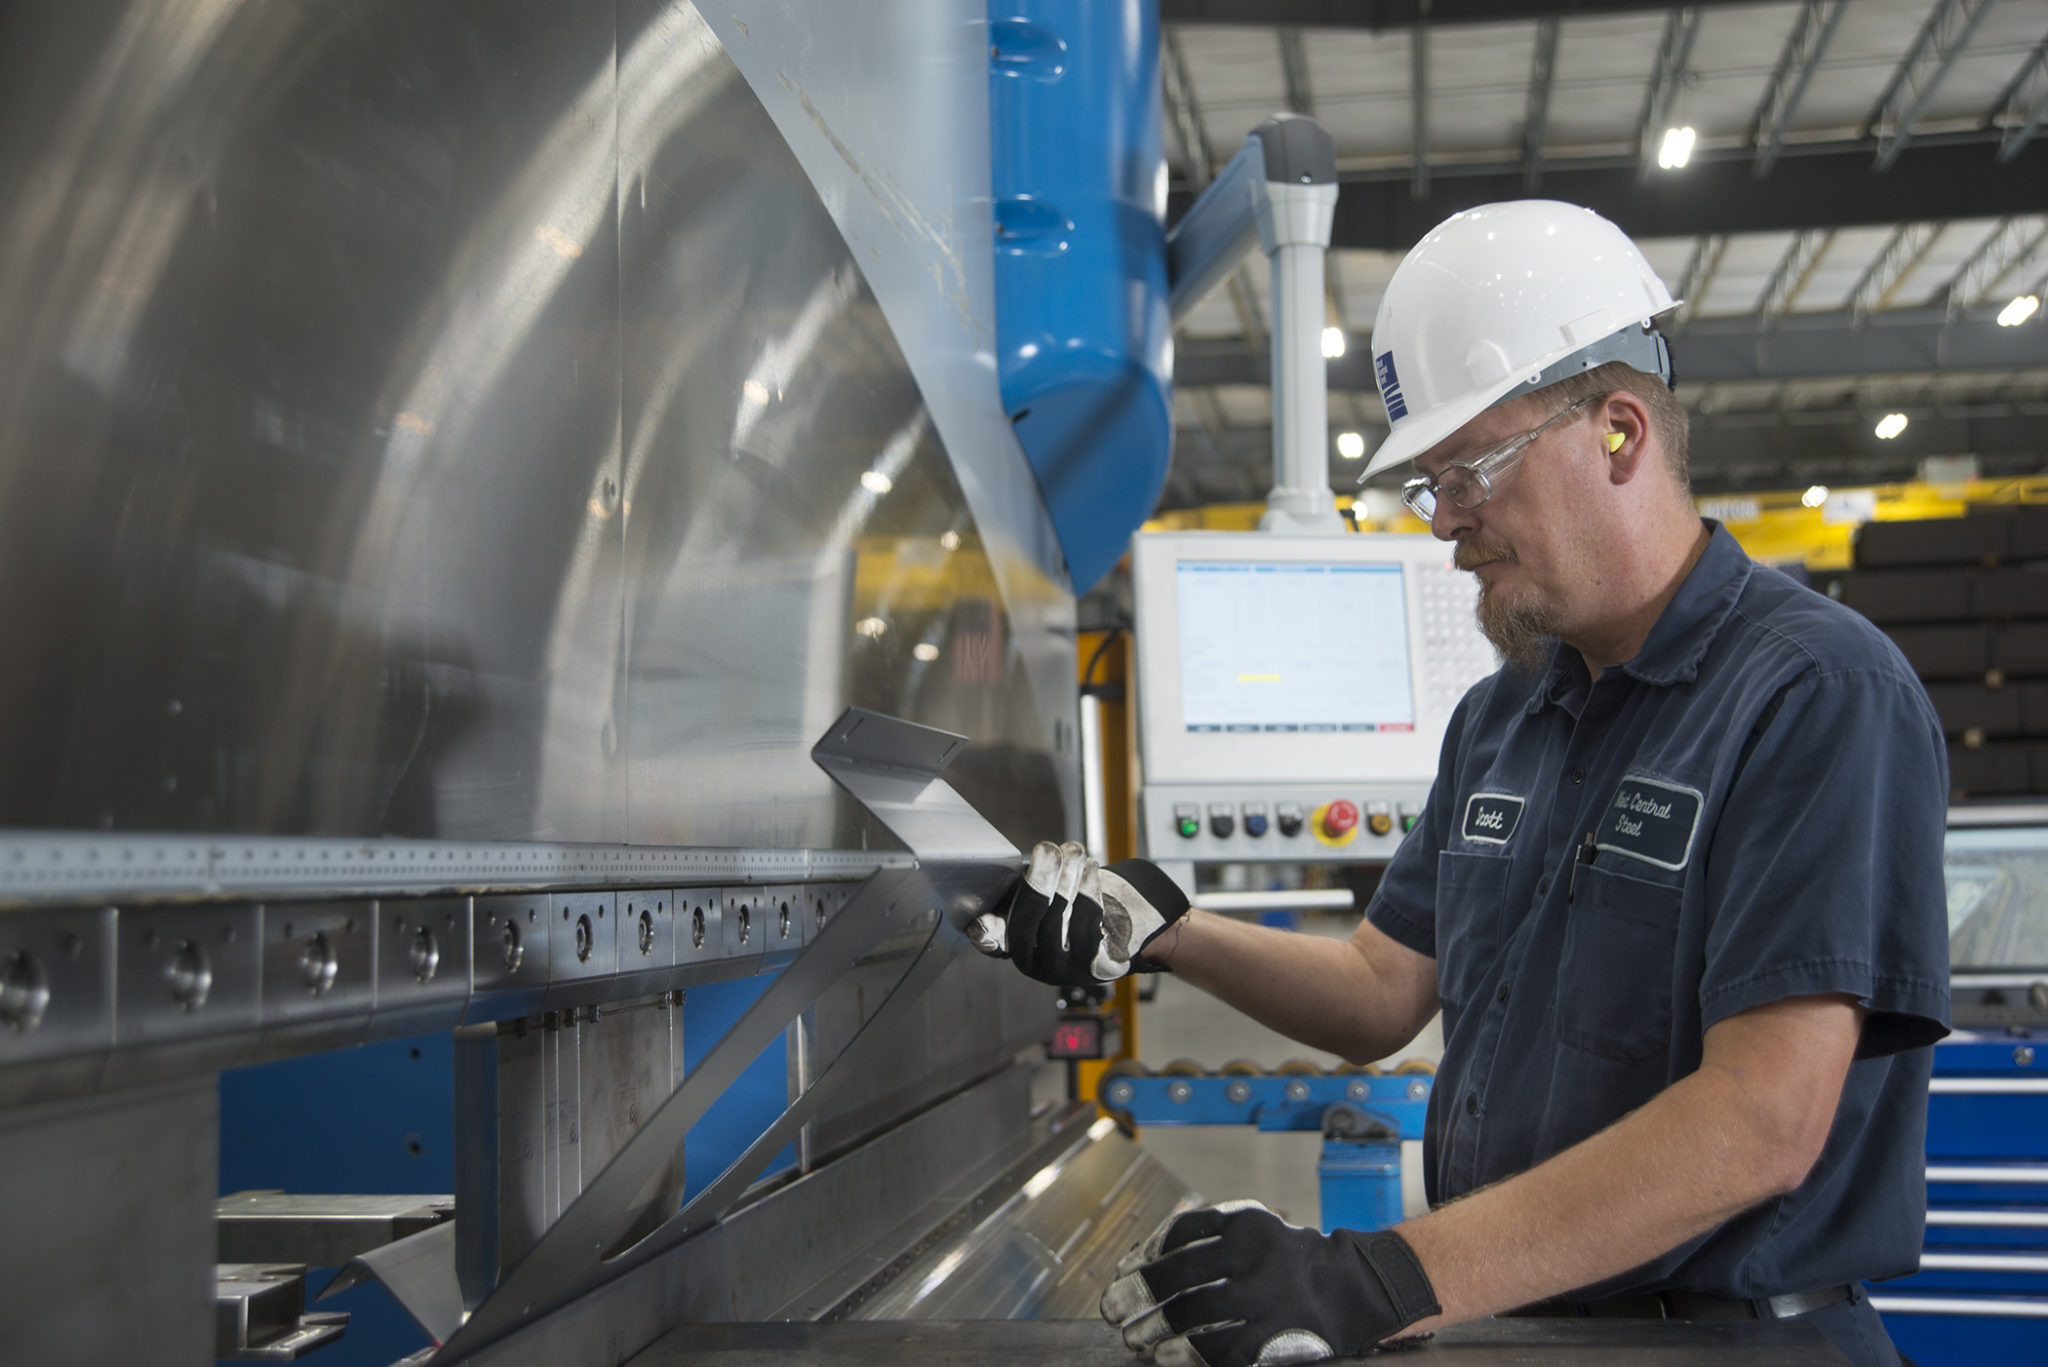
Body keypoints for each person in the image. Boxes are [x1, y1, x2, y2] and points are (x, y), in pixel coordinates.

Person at [970, 201, 1951, 1367]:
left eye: (1466, 470)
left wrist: (1381, 1276)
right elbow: (1381, 984)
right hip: (1521, 1327)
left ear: (1620, 432)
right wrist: (1164, 930)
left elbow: (1760, 1121)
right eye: (1427, 485)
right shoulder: (1505, 714)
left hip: (1733, 1346)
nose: (1444, 525)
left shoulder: (1814, 693)